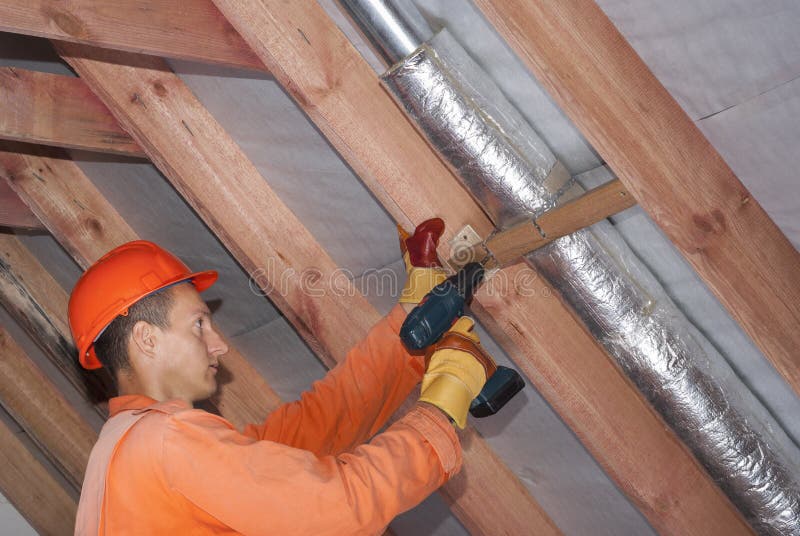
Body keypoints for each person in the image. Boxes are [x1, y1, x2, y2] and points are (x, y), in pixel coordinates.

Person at [69, 219, 495, 535]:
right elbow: (336, 508)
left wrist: (408, 332)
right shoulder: (163, 444)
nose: (220, 344)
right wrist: (443, 405)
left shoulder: (126, 450)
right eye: (199, 324)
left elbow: (306, 435)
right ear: (145, 338)